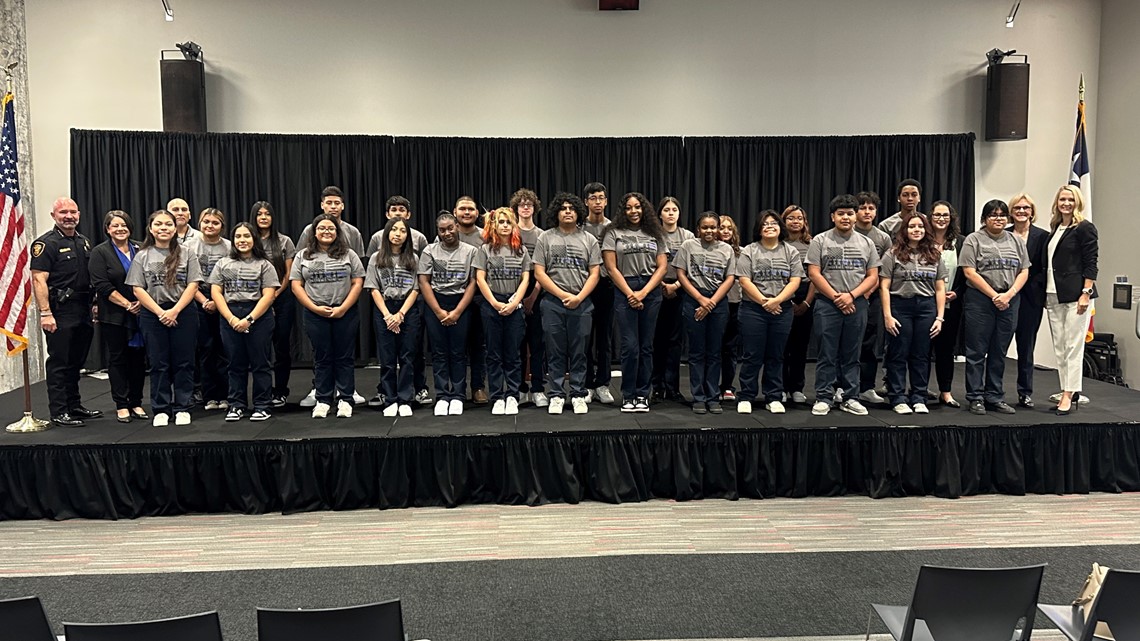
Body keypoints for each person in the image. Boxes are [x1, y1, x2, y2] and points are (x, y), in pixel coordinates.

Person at [805, 194, 881, 416]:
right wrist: (837, 297)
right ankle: (824, 397)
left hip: (856, 305)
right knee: (826, 353)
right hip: (827, 305)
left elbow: (872, 276)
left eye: (849, 213)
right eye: (841, 214)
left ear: (855, 216)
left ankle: (850, 396)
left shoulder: (867, 243)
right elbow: (814, 273)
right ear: (833, 216)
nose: (845, 217)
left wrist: (851, 296)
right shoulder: (820, 240)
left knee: (852, 353)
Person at [127, 210, 203, 427]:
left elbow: (193, 284)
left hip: (183, 312)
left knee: (184, 362)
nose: (163, 228)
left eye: (168, 224)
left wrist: (175, 311)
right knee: (159, 362)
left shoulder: (187, 252)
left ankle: (183, 406)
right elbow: (137, 289)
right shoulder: (142, 255)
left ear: (174, 227)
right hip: (153, 314)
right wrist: (161, 313)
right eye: (158, 224)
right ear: (151, 229)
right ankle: (161, 408)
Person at [30, 197, 101, 427]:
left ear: (79, 214)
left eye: (73, 212)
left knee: (76, 361)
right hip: (59, 310)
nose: (69, 216)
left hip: (82, 309)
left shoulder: (84, 242)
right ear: (54, 216)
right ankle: (59, 411)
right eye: (63, 212)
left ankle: (74, 405)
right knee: (59, 362)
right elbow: (39, 279)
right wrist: (45, 313)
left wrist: (94, 303)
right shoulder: (46, 244)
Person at [290, 214, 366, 419]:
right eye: (322, 228)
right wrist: (314, 308)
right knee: (322, 357)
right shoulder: (303, 256)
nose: (326, 232)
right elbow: (296, 285)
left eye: (331, 229)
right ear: (314, 232)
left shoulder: (349, 254)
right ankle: (323, 399)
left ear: (337, 232)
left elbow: (358, 282)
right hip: (315, 314)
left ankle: (345, 399)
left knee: (344, 357)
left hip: (345, 313)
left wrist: (343, 308)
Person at [532, 193, 601, 415]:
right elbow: (539, 273)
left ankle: (579, 394)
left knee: (579, 351)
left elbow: (595, 273)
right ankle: (557, 394)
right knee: (555, 351)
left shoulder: (589, 239)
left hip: (582, 303)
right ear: (556, 213)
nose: (568, 211)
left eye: (572, 208)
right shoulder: (545, 238)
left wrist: (579, 297)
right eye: (563, 208)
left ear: (579, 212)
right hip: (553, 303)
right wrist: (562, 295)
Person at [959, 199, 1030, 415]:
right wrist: (994, 296)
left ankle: (994, 396)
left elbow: (1024, 271)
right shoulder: (974, 240)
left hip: (1009, 301)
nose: (998, 218)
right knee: (976, 351)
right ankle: (976, 397)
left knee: (1000, 351)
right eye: (993, 215)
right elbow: (969, 272)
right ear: (984, 218)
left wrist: (1008, 295)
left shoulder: (1016, 241)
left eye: (1001, 215)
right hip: (980, 301)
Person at [601, 192, 666, 413]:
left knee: (646, 347)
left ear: (644, 208)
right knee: (630, 347)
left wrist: (644, 292)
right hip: (624, 288)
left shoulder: (655, 233)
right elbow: (611, 268)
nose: (634, 211)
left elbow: (662, 267)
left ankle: (642, 394)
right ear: (623, 211)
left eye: (637, 207)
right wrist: (631, 293)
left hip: (651, 290)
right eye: (628, 208)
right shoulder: (612, 233)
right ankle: (628, 394)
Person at [365, 196, 431, 408]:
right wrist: (387, 315)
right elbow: (373, 288)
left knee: (408, 356)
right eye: (394, 230)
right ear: (386, 233)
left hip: (407, 309)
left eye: (402, 231)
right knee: (387, 357)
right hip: (384, 309)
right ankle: (390, 398)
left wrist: (400, 314)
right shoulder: (376, 257)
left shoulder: (414, 257)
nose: (398, 234)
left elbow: (416, 288)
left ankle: (405, 398)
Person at [734, 210, 803, 414]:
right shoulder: (749, 251)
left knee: (776, 355)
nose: (770, 226)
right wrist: (765, 301)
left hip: (782, 310)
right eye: (765, 223)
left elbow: (795, 280)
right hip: (753, 310)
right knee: (752, 355)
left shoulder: (790, 251)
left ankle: (773, 395)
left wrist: (778, 300)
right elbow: (744, 280)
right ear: (759, 229)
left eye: (774, 223)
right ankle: (746, 395)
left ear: (780, 227)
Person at [209, 222, 279, 422]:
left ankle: (262, 405)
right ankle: (236, 404)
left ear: (254, 239)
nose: (242, 240)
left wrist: (249, 319)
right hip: (230, 314)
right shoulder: (223, 263)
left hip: (258, 315)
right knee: (235, 364)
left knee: (260, 363)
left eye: (246, 236)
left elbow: (268, 295)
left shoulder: (264, 264)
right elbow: (216, 291)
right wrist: (231, 318)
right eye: (238, 236)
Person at [880, 212, 947, 414]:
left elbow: (940, 289)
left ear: (925, 230)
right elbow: (884, 287)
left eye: (919, 227)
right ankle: (898, 397)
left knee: (921, 355)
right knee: (898, 354)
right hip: (900, 306)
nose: (916, 230)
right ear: (904, 230)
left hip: (926, 308)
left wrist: (940, 317)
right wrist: (887, 315)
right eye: (911, 227)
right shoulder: (892, 254)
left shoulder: (935, 255)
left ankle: (919, 397)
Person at [674, 211, 737, 414]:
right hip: (694, 300)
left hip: (718, 302)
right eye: (705, 227)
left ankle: (712, 397)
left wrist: (711, 302)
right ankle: (698, 397)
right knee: (696, 352)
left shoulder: (726, 249)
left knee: (714, 352)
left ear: (718, 229)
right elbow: (681, 274)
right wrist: (701, 300)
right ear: (698, 229)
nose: (709, 231)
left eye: (713, 227)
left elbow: (729, 278)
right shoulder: (688, 246)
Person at [1044, 185, 1098, 415]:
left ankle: (1069, 394)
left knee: (1073, 346)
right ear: (1057, 202)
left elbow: (1091, 262)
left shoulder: (1084, 228)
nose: (1066, 203)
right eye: (1062, 199)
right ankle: (1067, 387)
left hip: (1076, 295)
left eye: (1070, 199)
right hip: (1053, 294)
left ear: (1077, 202)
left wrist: (1086, 292)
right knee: (1060, 346)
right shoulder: (1056, 227)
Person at [88, 211, 147, 423]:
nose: (120, 229)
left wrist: (142, 302)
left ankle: (136, 402)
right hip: (114, 315)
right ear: (107, 229)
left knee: (138, 360)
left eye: (123, 225)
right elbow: (101, 284)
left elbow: (150, 276)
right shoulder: (99, 252)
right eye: (114, 226)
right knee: (118, 359)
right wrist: (127, 304)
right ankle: (122, 404)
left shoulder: (141, 248)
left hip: (142, 313)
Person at [419, 213, 479, 417]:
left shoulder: (471, 251)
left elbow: (473, 282)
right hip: (436, 303)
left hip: (461, 303)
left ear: (457, 227)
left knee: (458, 352)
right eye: (442, 230)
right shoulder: (429, 250)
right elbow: (424, 281)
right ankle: (443, 395)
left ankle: (459, 395)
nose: (447, 233)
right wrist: (438, 311)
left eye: (450, 228)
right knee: (439, 352)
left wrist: (458, 311)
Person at [475, 207, 532, 415]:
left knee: (513, 354)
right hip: (492, 305)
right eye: (501, 222)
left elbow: (526, 278)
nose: (505, 226)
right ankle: (498, 395)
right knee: (493, 353)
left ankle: (512, 395)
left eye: (509, 222)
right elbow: (480, 278)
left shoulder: (521, 251)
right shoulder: (485, 250)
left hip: (514, 304)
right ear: (494, 225)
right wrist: (494, 303)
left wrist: (516, 300)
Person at [250, 201, 297, 408]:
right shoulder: (248, 239)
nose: (263, 217)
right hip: (254, 300)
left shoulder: (284, 241)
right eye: (259, 214)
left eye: (267, 214)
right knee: (259, 348)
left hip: (281, 298)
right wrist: (263, 298)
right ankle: (262, 392)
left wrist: (274, 294)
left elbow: (288, 273)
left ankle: (280, 391)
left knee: (281, 346)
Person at [185, 208, 232, 411]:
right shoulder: (189, 246)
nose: (210, 226)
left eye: (215, 222)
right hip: (198, 301)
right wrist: (204, 301)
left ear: (222, 225)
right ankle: (209, 395)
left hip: (223, 301)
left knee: (223, 349)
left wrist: (217, 301)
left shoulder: (229, 247)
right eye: (206, 222)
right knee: (205, 349)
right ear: (200, 222)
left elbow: (233, 277)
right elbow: (187, 279)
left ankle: (226, 395)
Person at [651, 196, 694, 403]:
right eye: (666, 210)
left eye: (674, 210)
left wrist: (676, 285)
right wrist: (661, 286)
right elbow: (647, 265)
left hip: (680, 290)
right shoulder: (652, 235)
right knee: (657, 340)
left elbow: (693, 267)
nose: (670, 213)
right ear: (660, 213)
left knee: (675, 341)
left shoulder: (688, 236)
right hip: (656, 289)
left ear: (679, 213)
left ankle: (673, 387)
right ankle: (657, 386)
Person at [1007, 192, 1049, 409]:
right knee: (998, 347)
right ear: (1011, 212)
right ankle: (993, 391)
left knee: (1026, 347)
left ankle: (1025, 392)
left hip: (1031, 299)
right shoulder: (1002, 234)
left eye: (1026, 208)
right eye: (1017, 208)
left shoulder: (1043, 236)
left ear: (1032, 212)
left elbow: (1045, 268)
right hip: (1005, 297)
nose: (1022, 211)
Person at [854, 191, 893, 406]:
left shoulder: (882, 238)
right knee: (847, 343)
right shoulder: (846, 232)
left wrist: (868, 292)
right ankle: (842, 386)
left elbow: (883, 271)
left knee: (869, 342)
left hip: (872, 296)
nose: (867, 212)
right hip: (848, 296)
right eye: (863, 208)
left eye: (871, 208)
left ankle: (866, 387)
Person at [928, 201, 966, 408]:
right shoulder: (922, 240)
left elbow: (967, 273)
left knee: (946, 350)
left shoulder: (961, 242)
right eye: (937, 215)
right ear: (930, 217)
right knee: (921, 350)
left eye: (945, 215)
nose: (941, 218)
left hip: (952, 306)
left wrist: (957, 293)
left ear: (951, 218)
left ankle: (946, 391)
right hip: (925, 304)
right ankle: (920, 390)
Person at [451, 196, 488, 405]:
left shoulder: (485, 236)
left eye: (471, 209)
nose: (467, 213)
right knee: (455, 347)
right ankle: (456, 389)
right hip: (452, 299)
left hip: (479, 298)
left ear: (477, 213)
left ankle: (478, 387)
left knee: (478, 345)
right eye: (462, 209)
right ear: (455, 212)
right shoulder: (446, 234)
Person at [512, 188, 547, 408]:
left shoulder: (542, 235)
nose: (526, 207)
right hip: (512, 292)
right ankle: (519, 388)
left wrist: (533, 296)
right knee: (516, 345)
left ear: (535, 208)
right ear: (516, 208)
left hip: (536, 291)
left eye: (529, 204)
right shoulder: (508, 232)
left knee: (537, 343)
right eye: (522, 204)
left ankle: (538, 388)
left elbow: (542, 270)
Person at [581, 182, 616, 405]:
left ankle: (603, 383)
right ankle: (586, 384)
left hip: (607, 286)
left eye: (601, 198)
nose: (597, 202)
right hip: (583, 287)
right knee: (584, 337)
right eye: (593, 198)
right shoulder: (578, 226)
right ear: (586, 202)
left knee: (604, 337)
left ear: (606, 201)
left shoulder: (613, 227)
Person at [780, 205, 816, 405]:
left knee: (800, 347)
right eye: (791, 218)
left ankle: (797, 387)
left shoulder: (812, 244)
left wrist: (806, 303)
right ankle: (782, 387)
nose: (795, 222)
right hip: (783, 297)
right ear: (783, 222)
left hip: (806, 298)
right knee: (782, 347)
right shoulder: (778, 244)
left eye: (799, 218)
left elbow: (814, 277)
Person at [718, 215, 743, 403]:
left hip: (735, 305)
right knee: (711, 349)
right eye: (721, 227)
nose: (725, 231)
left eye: (729, 228)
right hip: (713, 304)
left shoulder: (742, 253)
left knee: (729, 349)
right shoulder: (706, 250)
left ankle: (727, 386)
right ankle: (708, 386)